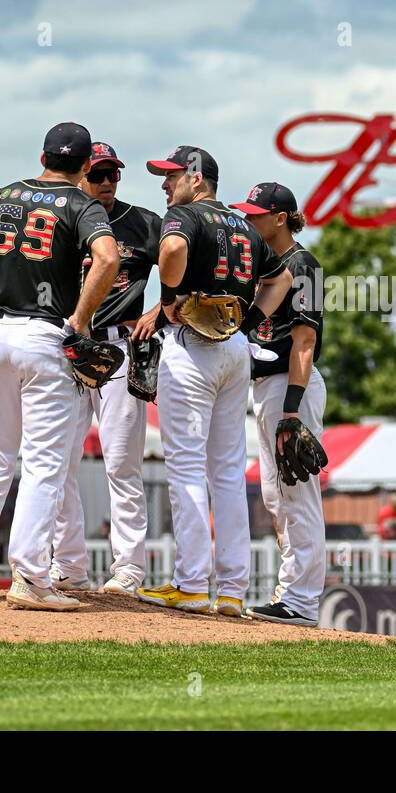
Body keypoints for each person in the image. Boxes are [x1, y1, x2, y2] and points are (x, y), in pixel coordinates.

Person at [0, 122, 119, 611]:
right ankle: (32, 577)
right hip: (45, 337)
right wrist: (80, 320)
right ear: (85, 166)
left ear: (41, 155)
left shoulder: (3, 197)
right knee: (43, 462)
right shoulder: (81, 204)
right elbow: (108, 257)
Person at [135, 146, 292, 617]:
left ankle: (190, 585)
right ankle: (230, 590)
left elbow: (173, 248)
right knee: (226, 472)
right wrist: (247, 326)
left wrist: (166, 301)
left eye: (172, 176)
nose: (165, 185)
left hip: (192, 345)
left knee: (185, 468)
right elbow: (281, 278)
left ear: (197, 180)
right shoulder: (243, 225)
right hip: (234, 349)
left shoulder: (186, 216)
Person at [47, 142, 163, 596]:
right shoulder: (60, 218)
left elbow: (186, 268)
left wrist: (161, 310)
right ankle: (70, 565)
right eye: (98, 174)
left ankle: (129, 571)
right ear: (80, 176)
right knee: (59, 460)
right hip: (68, 348)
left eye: (114, 174)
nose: (108, 182)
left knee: (122, 463)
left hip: (119, 349)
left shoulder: (143, 223)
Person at [231, 183, 328, 626]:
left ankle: (303, 601)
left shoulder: (302, 264)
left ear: (282, 218)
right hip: (267, 387)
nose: (249, 220)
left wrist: (292, 409)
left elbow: (304, 343)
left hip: (293, 386)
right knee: (275, 496)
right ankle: (290, 595)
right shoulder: (263, 266)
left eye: (257, 214)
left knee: (297, 494)